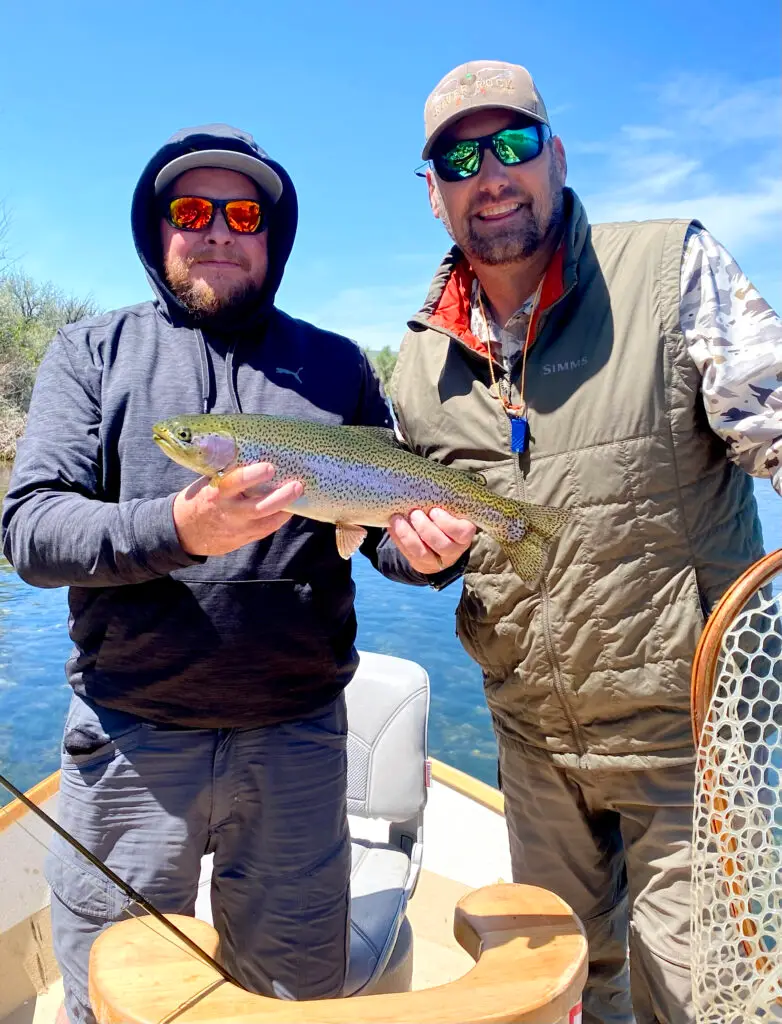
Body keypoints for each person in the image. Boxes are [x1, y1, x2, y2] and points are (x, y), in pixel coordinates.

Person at [1, 123, 472, 1024]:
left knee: (293, 1005)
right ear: (159, 228)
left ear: (271, 234)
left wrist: (421, 554)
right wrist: (176, 526)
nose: (217, 228)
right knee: (115, 1001)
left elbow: (377, 536)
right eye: (192, 209)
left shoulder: (336, 367)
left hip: (297, 746)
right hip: (129, 742)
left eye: (243, 211)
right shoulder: (89, 354)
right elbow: (30, 531)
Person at [390, 60, 782, 1024]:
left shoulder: (666, 269)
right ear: (433, 193)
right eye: (461, 156)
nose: (492, 175)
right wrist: (413, 554)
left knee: (704, 999)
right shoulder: (416, 360)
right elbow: (396, 541)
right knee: (570, 990)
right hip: (532, 748)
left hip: (686, 742)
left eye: (513, 145)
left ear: (556, 157)